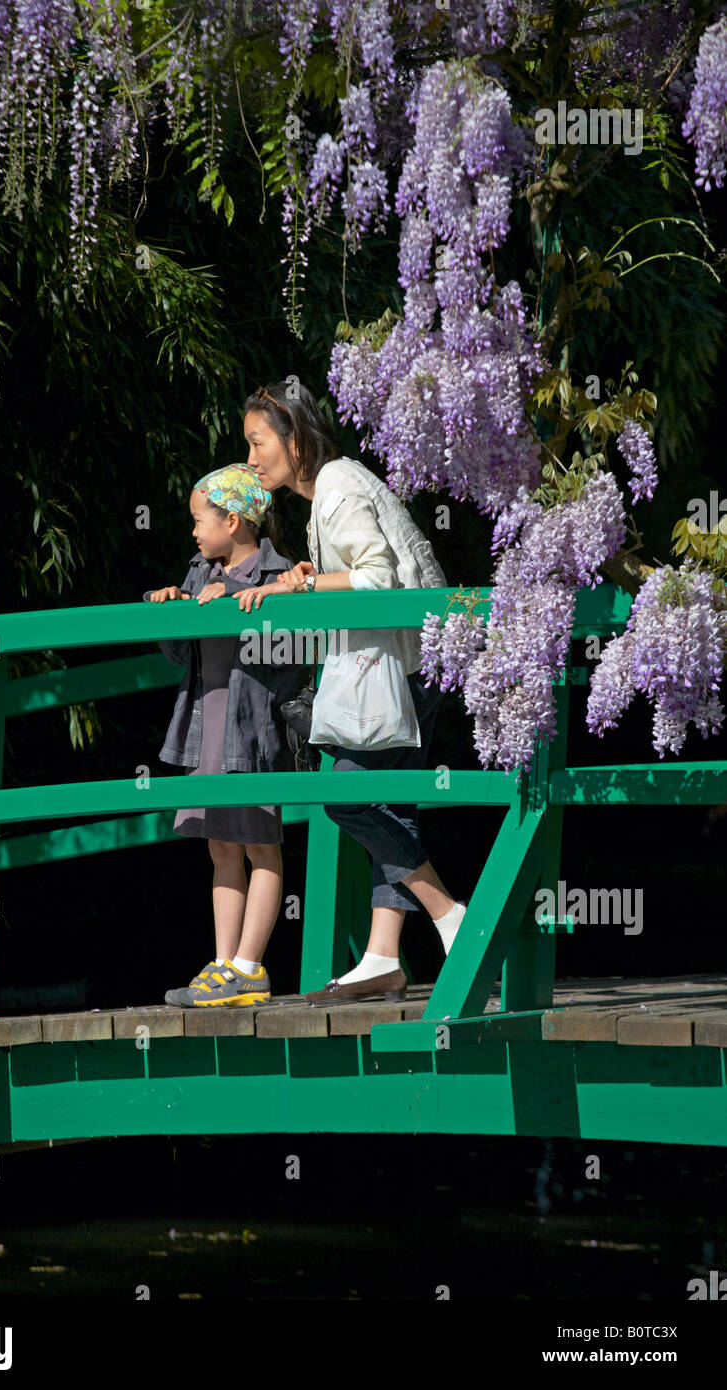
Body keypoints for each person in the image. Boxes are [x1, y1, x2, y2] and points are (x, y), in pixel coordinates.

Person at [234, 383, 467, 1004]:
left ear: (293, 437)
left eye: (258, 442)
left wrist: (301, 589)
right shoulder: (331, 488)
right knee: (390, 809)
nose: (252, 459)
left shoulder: (334, 484)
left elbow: (378, 578)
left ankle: (451, 917)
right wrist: (314, 574)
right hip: (416, 660)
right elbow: (365, 569)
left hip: (402, 662)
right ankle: (384, 958)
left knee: (345, 797)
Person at [145, 464, 301, 1007]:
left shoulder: (279, 574)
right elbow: (180, 650)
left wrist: (238, 595)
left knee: (261, 843)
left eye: (198, 521)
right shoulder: (197, 569)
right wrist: (172, 607)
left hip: (252, 728)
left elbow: (289, 655)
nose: (193, 532)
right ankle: (222, 964)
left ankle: (250, 967)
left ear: (232, 520)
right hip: (205, 723)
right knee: (220, 846)